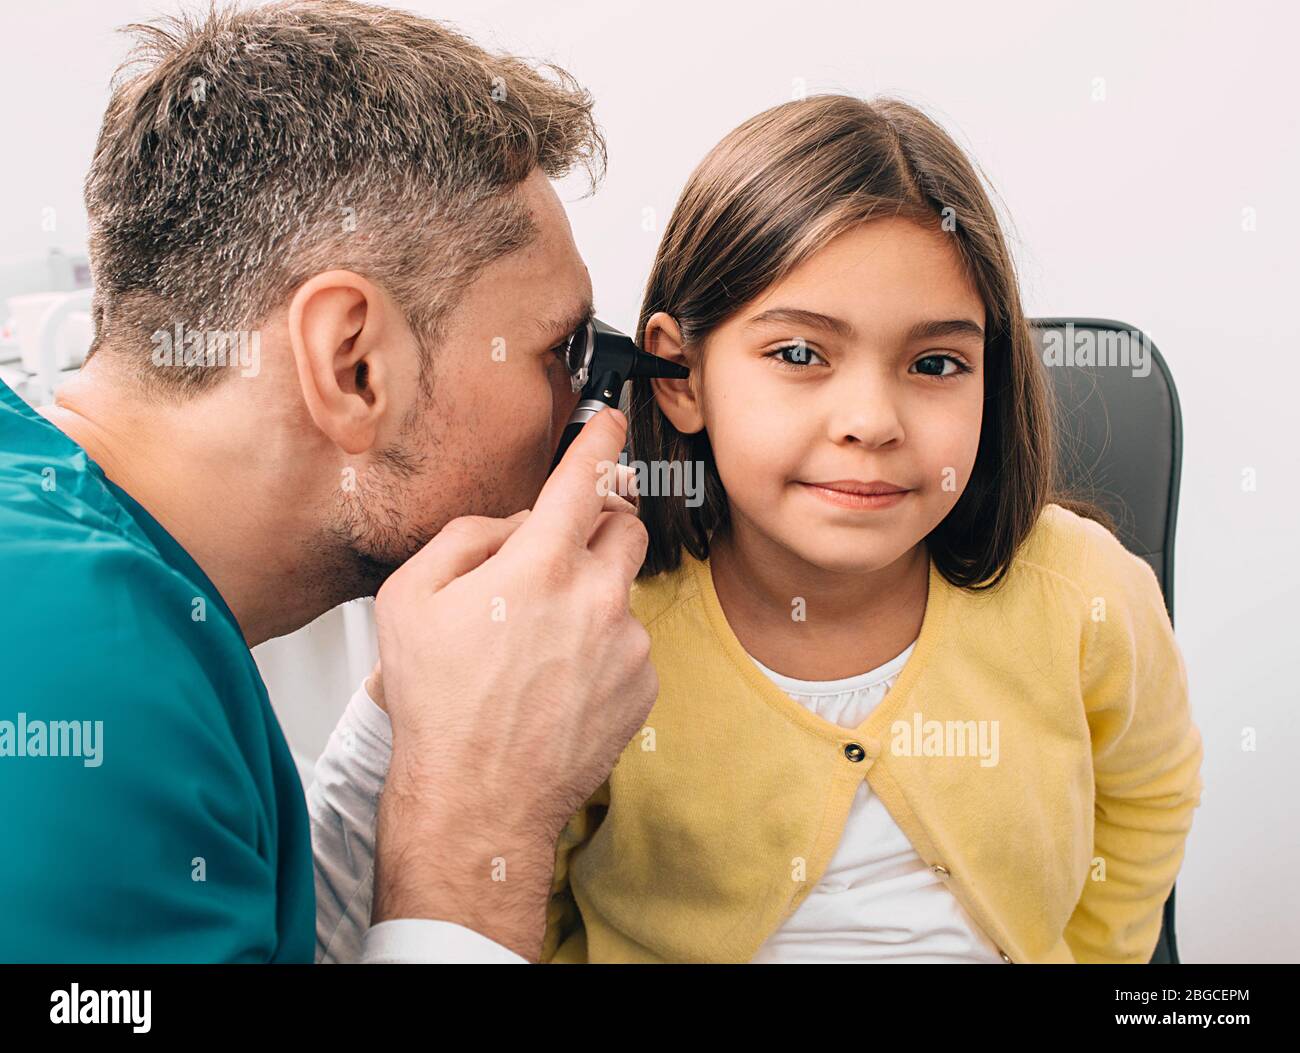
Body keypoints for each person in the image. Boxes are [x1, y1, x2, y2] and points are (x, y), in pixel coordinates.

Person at [322, 94, 1205, 964]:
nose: (871, 420)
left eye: (936, 363)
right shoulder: (589, 630)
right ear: (682, 379)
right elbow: (523, 896)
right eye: (799, 355)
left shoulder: (1087, 593)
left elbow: (1150, 793)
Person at [0, 0, 656, 964]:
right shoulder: (90, 690)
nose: (587, 410)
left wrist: (427, 721)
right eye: (562, 352)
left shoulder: (100, 579)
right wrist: (479, 829)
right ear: (354, 363)